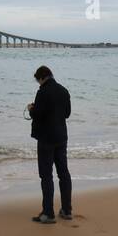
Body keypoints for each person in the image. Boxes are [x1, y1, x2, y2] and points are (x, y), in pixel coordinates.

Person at [27, 65, 72, 224]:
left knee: (46, 176)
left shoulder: (43, 92)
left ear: (42, 77)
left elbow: (38, 115)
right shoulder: (64, 91)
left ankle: (48, 213)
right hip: (61, 137)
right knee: (63, 174)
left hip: (46, 138)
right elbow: (67, 114)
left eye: (38, 80)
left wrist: (31, 109)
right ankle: (67, 210)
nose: (38, 83)